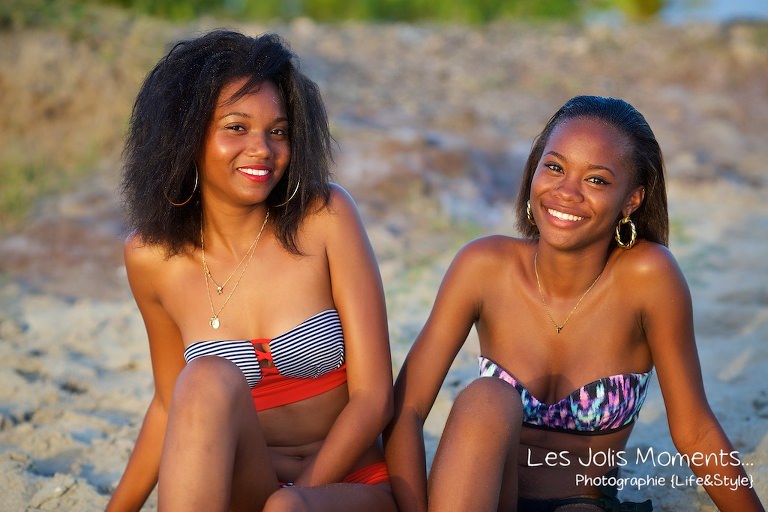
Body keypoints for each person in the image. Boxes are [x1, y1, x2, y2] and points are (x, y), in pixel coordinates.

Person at [384, 96, 764, 511]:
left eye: (596, 180)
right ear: (535, 171)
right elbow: (406, 413)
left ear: (631, 200)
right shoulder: (482, 266)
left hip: (578, 500)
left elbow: (695, 431)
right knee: (486, 399)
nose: (566, 192)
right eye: (555, 167)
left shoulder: (649, 278)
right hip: (479, 496)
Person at [107, 30, 396, 512]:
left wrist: (298, 494)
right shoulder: (151, 258)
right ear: (186, 136)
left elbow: (374, 400)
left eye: (277, 131)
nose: (262, 148)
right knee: (201, 382)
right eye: (236, 127)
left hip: (348, 484)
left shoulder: (325, 217)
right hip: (248, 482)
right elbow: (166, 406)